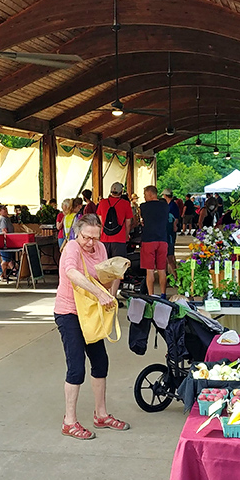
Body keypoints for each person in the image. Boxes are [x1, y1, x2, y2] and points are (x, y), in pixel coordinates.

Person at [54, 213, 130, 440]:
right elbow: (72, 273)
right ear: (78, 233)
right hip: (69, 313)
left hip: (91, 313)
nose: (91, 242)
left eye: (95, 238)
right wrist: (98, 292)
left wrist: (112, 291)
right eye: (87, 237)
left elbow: (106, 278)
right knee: (76, 367)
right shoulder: (72, 249)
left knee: (100, 361)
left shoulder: (101, 249)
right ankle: (69, 421)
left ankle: (101, 414)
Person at [139, 185, 169, 297]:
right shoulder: (165, 206)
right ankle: (163, 294)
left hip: (148, 240)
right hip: (162, 239)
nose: (144, 197)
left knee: (149, 270)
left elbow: (142, 220)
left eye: (145, 195)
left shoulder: (143, 206)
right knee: (162, 269)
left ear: (150, 194)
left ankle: (151, 295)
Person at [96, 181, 133, 257]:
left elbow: (100, 221)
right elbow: (128, 223)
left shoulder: (102, 202)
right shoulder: (125, 204)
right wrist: (126, 236)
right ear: (121, 192)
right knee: (118, 266)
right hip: (119, 239)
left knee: (104, 265)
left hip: (104, 238)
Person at [162, 189, 180, 282]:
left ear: (165, 195)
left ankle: (175, 276)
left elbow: (175, 219)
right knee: (168, 256)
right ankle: (169, 275)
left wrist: (174, 226)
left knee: (169, 257)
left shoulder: (171, 206)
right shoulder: (171, 205)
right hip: (169, 235)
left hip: (169, 235)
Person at [0, 206, 16, 281]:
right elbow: (4, 230)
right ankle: (1, 274)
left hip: (9, 242)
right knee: (5, 260)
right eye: (4, 210)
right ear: (0, 211)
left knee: (8, 259)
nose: (6, 211)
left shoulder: (7, 219)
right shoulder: (2, 219)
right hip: (5, 242)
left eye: (6, 209)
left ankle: (4, 275)